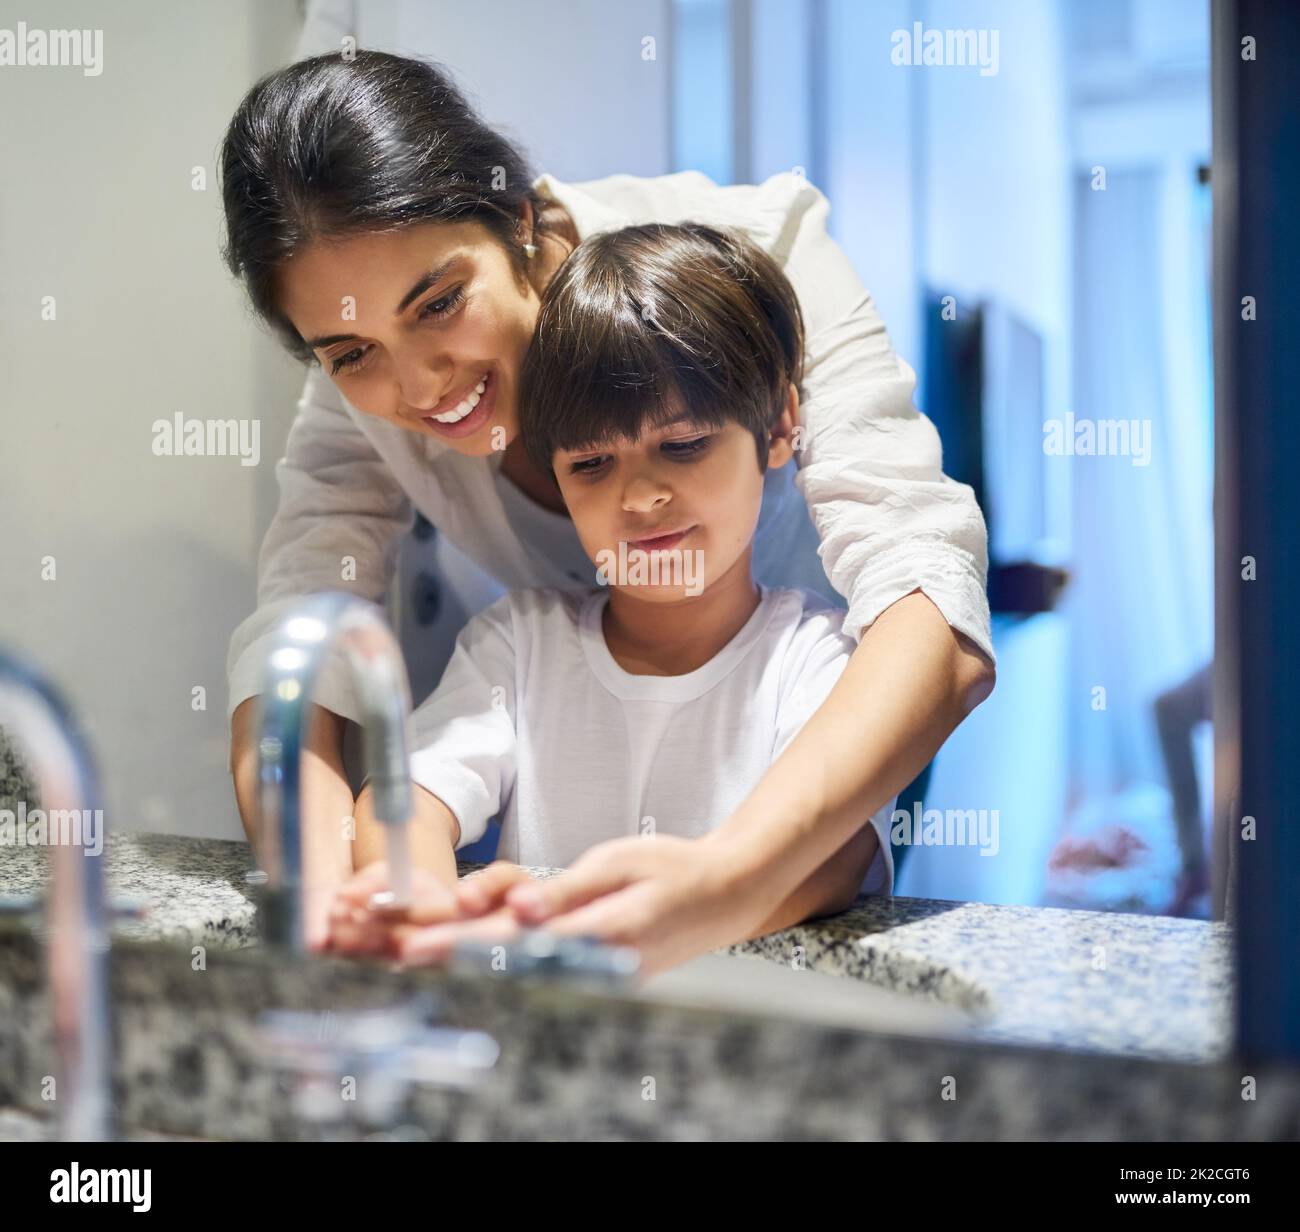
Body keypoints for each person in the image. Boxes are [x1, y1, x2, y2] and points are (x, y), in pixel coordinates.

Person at [219, 50, 995, 964]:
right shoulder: (517, 646)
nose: (419, 384)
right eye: (350, 352)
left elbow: (925, 586)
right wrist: (323, 886)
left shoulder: (751, 256)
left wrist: (730, 879)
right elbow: (305, 622)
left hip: (839, 742)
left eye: (439, 303)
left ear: (516, 219)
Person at [327, 223, 895, 971]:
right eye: (593, 463)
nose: (643, 496)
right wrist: (433, 915)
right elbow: (406, 804)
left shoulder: (820, 659)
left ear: (780, 426)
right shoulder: (519, 646)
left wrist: (656, 918)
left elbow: (833, 860)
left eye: (685, 444)